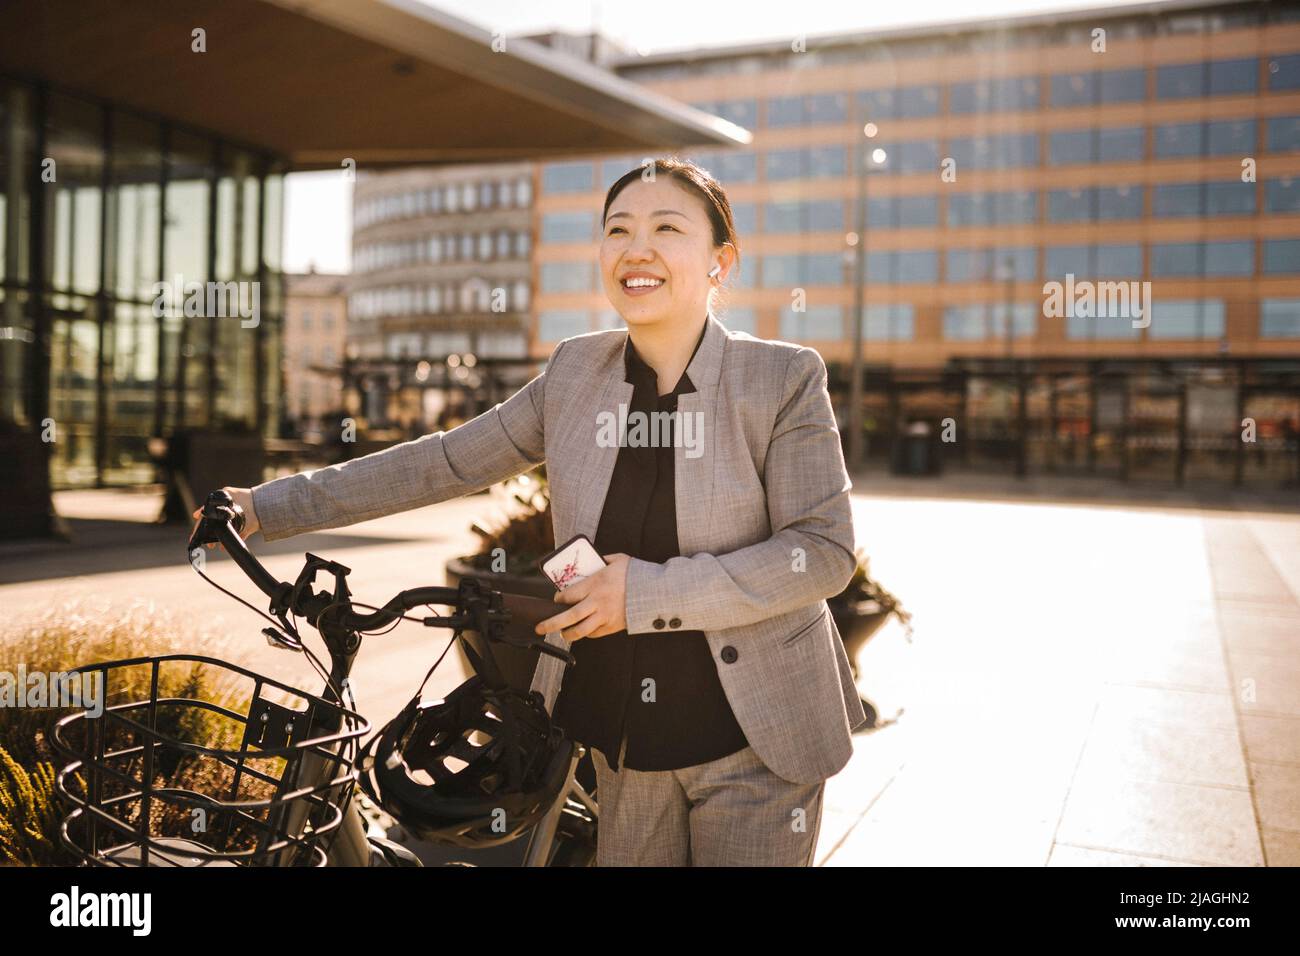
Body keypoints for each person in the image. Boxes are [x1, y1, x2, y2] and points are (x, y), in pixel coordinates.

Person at [194, 157, 866, 866]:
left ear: (719, 261)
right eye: (618, 230)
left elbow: (821, 552)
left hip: (753, 740)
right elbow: (445, 461)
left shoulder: (783, 379)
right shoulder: (578, 373)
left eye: (667, 228)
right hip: (622, 740)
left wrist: (640, 593)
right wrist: (268, 505)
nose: (637, 249)